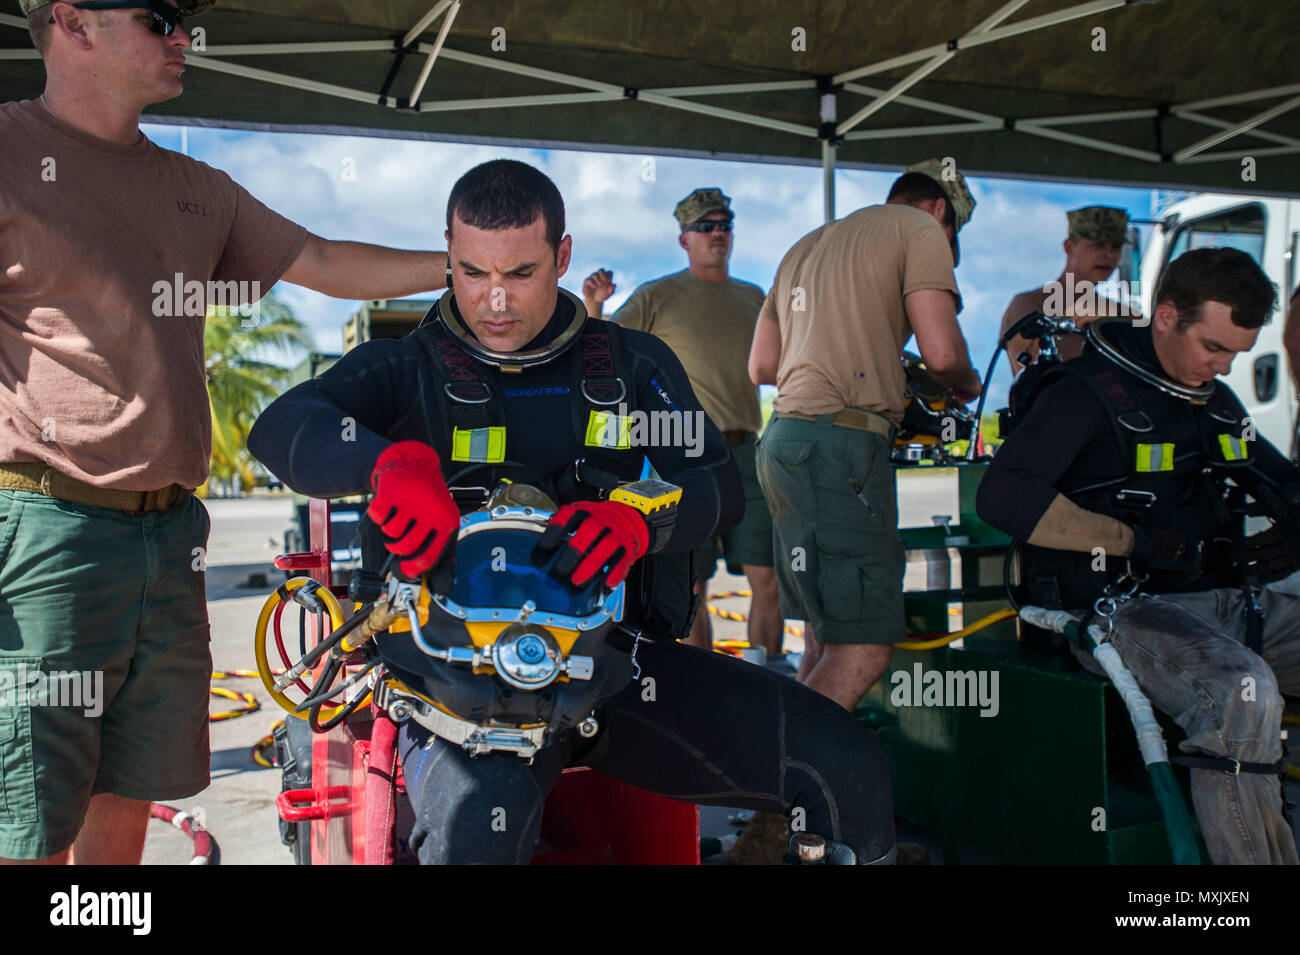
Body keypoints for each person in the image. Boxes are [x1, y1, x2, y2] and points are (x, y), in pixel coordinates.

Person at [247, 159, 897, 865]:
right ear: (448, 255)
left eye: (521, 274)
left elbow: (715, 481)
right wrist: (386, 464)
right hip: (453, 692)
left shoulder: (630, 365)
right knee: (479, 826)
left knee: (844, 764)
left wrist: (640, 520)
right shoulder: (407, 368)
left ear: (562, 256)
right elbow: (280, 425)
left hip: (613, 671)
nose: (495, 301)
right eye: (472, 273)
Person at [0, 0, 450, 865]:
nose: (184, 36)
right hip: (45, 530)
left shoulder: (194, 187)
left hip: (171, 536)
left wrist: (470, 266)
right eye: (160, 14)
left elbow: (319, 261)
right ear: (74, 22)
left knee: (126, 792)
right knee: (28, 821)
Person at [976, 247, 1300, 865]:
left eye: (1236, 351)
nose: (1224, 364)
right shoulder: (1083, 395)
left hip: (1227, 604)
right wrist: (1134, 542)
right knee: (1240, 690)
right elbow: (1004, 495)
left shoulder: (1216, 401)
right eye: (1214, 346)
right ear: (1166, 316)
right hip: (1120, 612)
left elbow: (1279, 481)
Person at [749, 158, 982, 712]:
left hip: (783, 442)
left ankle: (776, 793)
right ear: (941, 210)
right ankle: (795, 789)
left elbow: (761, 366)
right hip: (842, 446)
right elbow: (944, 354)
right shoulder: (920, 229)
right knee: (865, 650)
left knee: (826, 640)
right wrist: (966, 385)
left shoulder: (806, 245)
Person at [581, 188, 781, 655]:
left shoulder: (754, 297)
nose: (718, 234)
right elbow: (604, 350)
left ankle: (768, 679)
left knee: (768, 578)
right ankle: (701, 686)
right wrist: (595, 306)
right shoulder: (657, 295)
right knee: (692, 582)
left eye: (725, 225)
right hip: (682, 449)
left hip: (747, 450)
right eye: (705, 227)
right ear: (683, 239)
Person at [999, 205, 1140, 375]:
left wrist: (1113, 318)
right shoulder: (1030, 304)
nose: (1108, 255)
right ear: (1069, 247)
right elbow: (1029, 374)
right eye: (1098, 245)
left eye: (1115, 247)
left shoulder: (1120, 312)